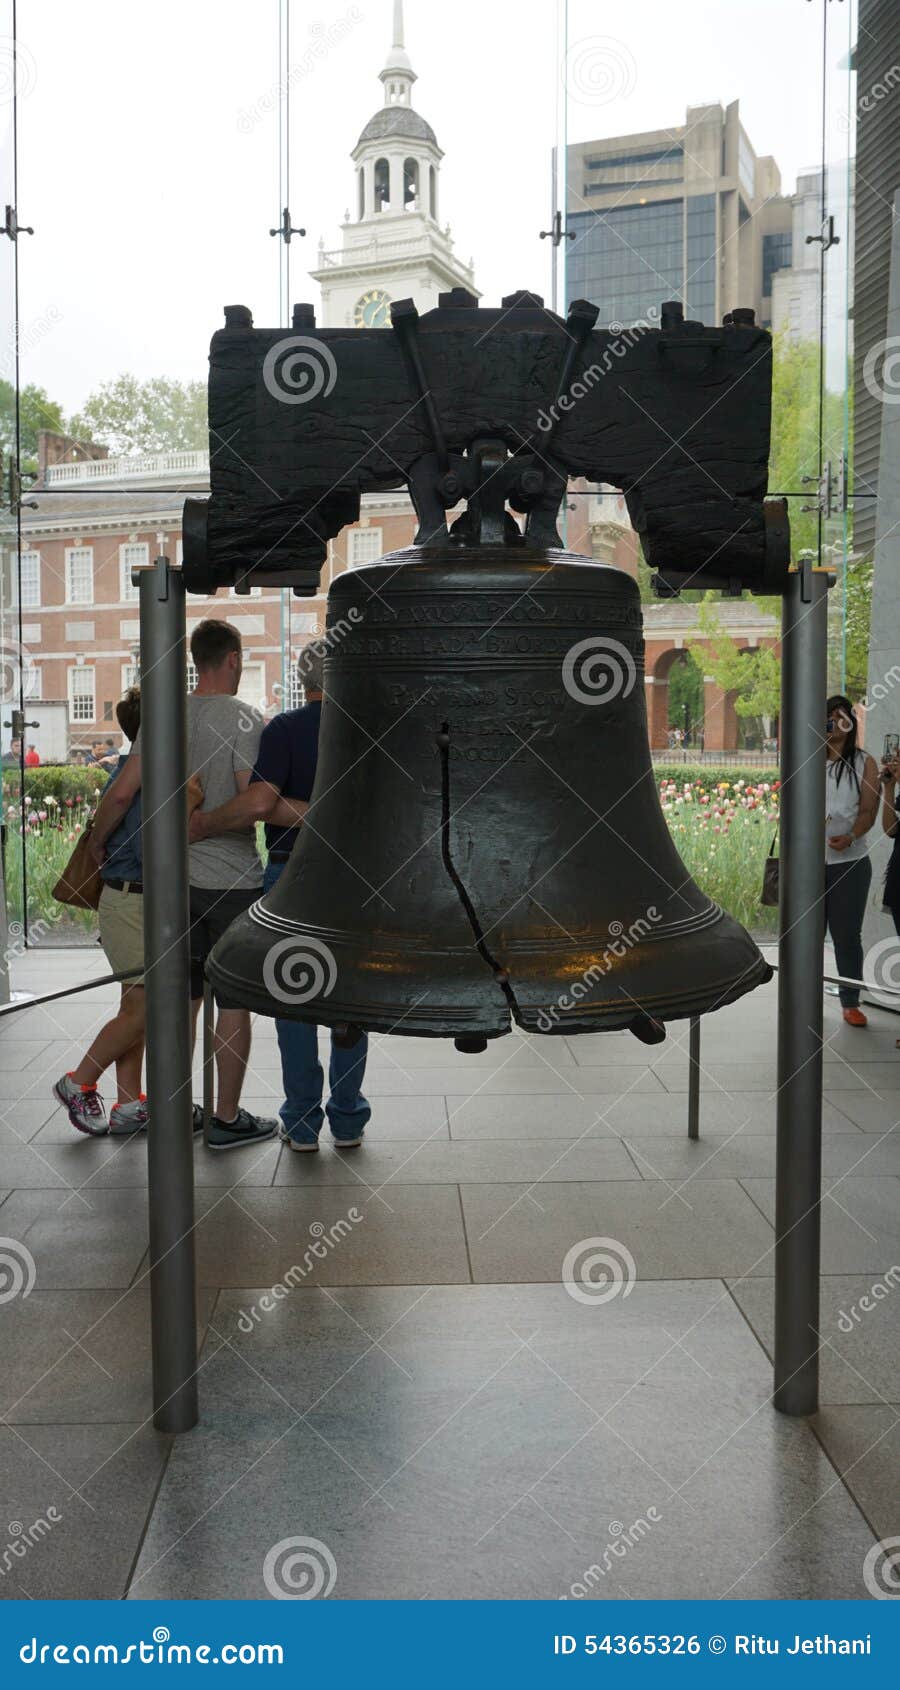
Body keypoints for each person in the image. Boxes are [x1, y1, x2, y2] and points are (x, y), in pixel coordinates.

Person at [190, 644, 370, 1152]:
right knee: (351, 996)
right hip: (355, 877)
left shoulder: (283, 730)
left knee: (293, 995)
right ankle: (348, 1120)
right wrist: (339, 813)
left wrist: (203, 824)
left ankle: (303, 1122)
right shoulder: (366, 731)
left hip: (290, 872)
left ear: (303, 679)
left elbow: (262, 804)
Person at [53, 687, 150, 1135]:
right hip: (131, 900)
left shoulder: (133, 768)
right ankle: (79, 1081)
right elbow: (137, 835)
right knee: (144, 1009)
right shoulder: (140, 774)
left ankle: (128, 1104)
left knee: (135, 1006)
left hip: (132, 899)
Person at [825, 695, 881, 1027]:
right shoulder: (806, 759)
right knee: (806, 934)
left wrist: (850, 836)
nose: (836, 721)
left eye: (842, 715)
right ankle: (802, 995)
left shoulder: (864, 762)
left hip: (850, 863)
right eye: (830, 716)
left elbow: (869, 810)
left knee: (846, 935)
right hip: (807, 865)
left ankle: (850, 1002)